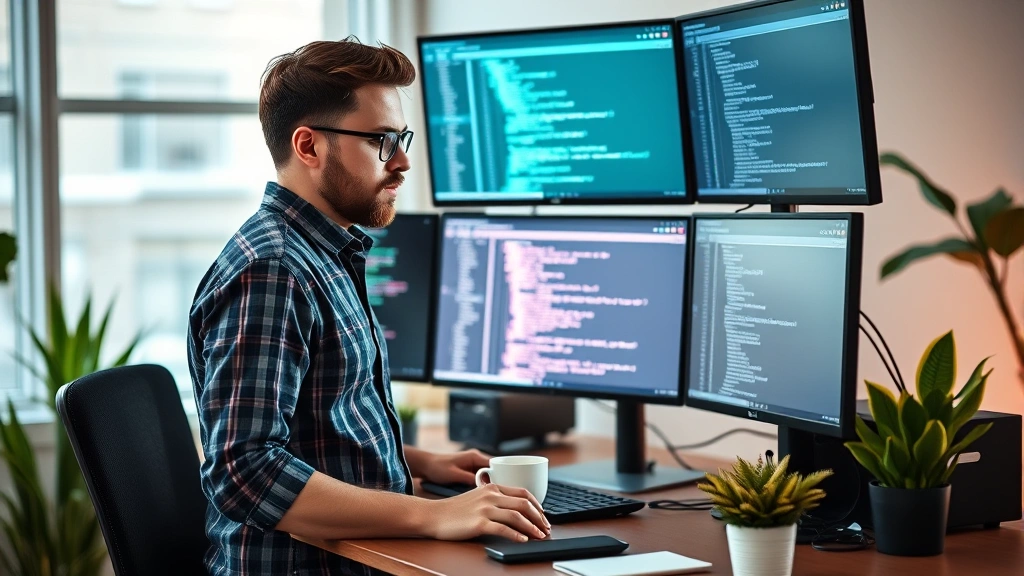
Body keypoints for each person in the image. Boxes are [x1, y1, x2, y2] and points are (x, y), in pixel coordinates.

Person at [187, 38, 550, 576]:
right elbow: (245, 472)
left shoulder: (323, 253)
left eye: (401, 138)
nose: (402, 162)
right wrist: (435, 515)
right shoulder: (274, 269)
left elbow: (318, 426)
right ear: (309, 146)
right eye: (381, 141)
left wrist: (417, 463)